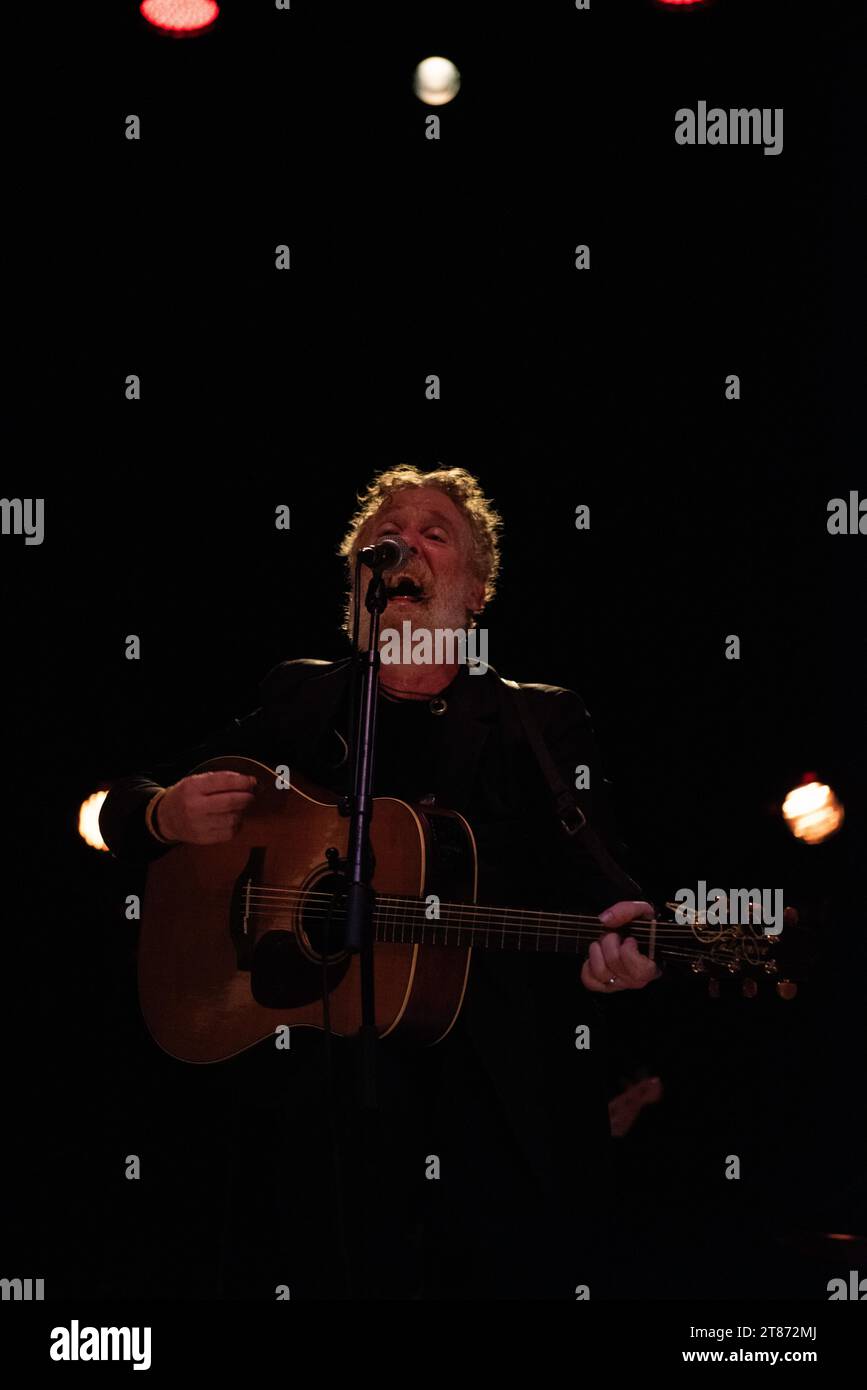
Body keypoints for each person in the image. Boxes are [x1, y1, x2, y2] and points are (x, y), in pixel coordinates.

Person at [99, 465, 660, 1300]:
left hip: (493, 1111)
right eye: (385, 534)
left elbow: (602, 887)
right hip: (316, 1119)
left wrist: (623, 945)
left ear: (476, 592)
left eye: (435, 533)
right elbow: (121, 807)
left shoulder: (541, 720)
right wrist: (163, 817)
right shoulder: (301, 697)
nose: (402, 544)